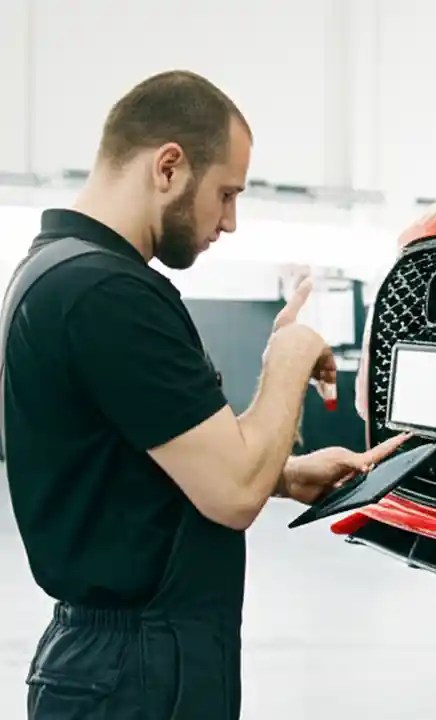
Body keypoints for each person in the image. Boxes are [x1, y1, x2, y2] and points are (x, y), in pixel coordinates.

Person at [0, 70, 407, 719]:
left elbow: (150, 464)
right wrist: (291, 354)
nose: (231, 220)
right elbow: (232, 491)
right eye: (225, 193)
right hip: (134, 670)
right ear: (167, 167)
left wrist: (286, 472)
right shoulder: (106, 293)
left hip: (120, 661)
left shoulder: (58, 271)